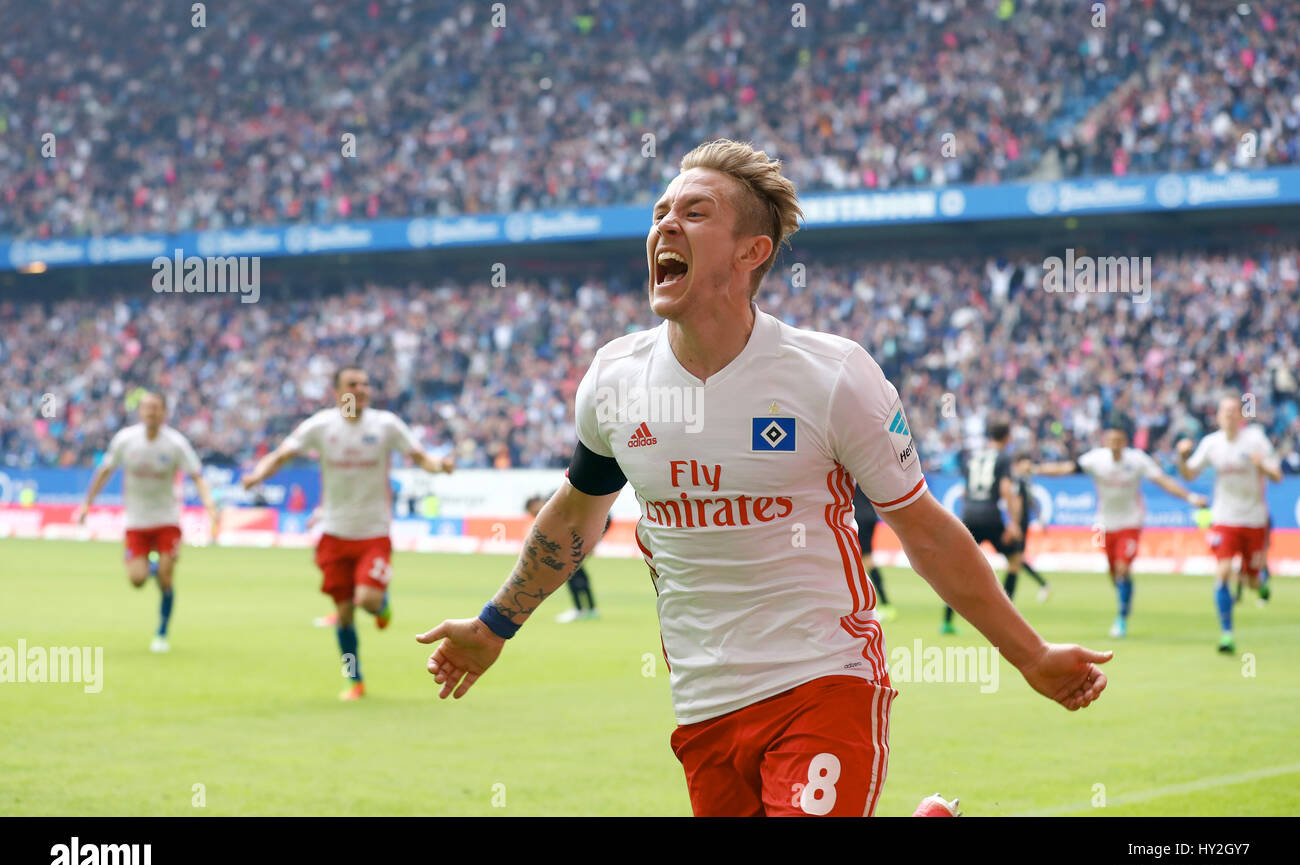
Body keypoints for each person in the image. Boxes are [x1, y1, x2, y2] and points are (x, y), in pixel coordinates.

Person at [417, 139, 1110, 817]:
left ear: (753, 252)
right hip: (703, 704)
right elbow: (577, 512)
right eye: (660, 210)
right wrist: (494, 624)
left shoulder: (831, 377)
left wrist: (1030, 655)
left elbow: (923, 530)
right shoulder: (613, 380)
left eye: (694, 212)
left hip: (824, 678)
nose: (664, 223)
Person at [241, 365, 454, 699]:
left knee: (366, 600)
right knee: (343, 614)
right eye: (353, 384)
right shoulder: (322, 426)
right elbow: (283, 454)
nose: (361, 389)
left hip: (373, 532)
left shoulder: (385, 425)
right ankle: (354, 679)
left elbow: (419, 456)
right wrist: (257, 475)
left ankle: (380, 603)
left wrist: (440, 466)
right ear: (338, 392)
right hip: (334, 533)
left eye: (366, 384)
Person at [73, 392, 219, 653]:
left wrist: (209, 505)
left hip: (167, 519)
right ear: (140, 412)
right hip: (136, 521)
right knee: (137, 579)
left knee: (166, 578)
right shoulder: (126, 440)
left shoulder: (175, 444)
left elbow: (197, 475)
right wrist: (86, 504)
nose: (151, 412)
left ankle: (162, 632)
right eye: (146, 408)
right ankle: (151, 567)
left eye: (156, 408)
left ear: (164, 412)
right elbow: (105, 471)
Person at [1032, 421, 1205, 638]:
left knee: (1122, 568)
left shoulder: (1137, 460)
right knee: (1114, 573)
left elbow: (1163, 481)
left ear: (1125, 441)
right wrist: (1036, 469)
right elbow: (1066, 468)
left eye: (1119, 440)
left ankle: (1121, 619)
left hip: (1131, 522)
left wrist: (1190, 497)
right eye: (1111, 439)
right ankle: (1126, 596)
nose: (1114, 444)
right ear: (1106, 440)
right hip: (1104, 524)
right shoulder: (1096, 459)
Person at [1176, 396, 1282, 653]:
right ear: (1218, 416)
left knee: (1250, 582)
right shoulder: (1211, 443)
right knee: (1223, 572)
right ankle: (1227, 634)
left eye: (1235, 411)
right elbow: (1189, 474)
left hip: (1254, 519)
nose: (1230, 416)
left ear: (1242, 416)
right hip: (1224, 518)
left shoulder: (1256, 439)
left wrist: (1263, 466)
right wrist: (1181, 456)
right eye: (1225, 412)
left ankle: (1261, 580)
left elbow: (1277, 475)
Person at [945, 418, 1022, 633]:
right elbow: (1006, 490)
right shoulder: (1004, 459)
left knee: (958, 571)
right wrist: (1013, 523)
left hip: (969, 514)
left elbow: (964, 490)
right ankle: (1007, 618)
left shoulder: (974, 457)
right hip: (990, 514)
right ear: (1007, 437)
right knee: (1015, 560)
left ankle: (947, 621)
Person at [525, 493, 610, 622]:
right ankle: (589, 609)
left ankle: (581, 609)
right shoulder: (553, 502)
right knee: (576, 572)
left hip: (582, 534)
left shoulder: (553, 504)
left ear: (534, 504)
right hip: (582, 534)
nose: (535, 515)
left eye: (534, 512)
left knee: (570, 572)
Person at [1010, 453, 1052, 604]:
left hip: (1021, 525)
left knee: (1016, 559)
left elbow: (1029, 501)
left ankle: (1009, 598)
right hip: (1019, 524)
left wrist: (1040, 520)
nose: (1029, 466)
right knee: (1016, 559)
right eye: (1026, 463)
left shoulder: (1023, 481)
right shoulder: (1017, 480)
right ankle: (1042, 584)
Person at [852, 487, 896, 621]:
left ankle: (882, 604)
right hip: (870, 516)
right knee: (866, 559)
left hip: (856, 517)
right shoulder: (863, 469)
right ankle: (884, 603)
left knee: (856, 560)